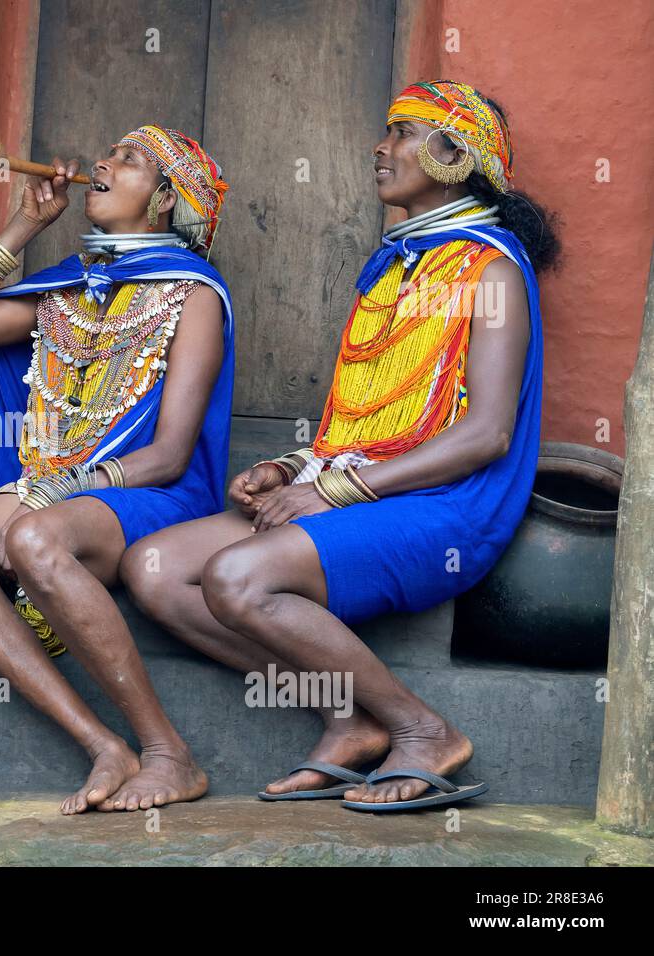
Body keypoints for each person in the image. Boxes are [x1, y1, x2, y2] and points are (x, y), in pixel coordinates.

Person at [121, 82, 560, 812]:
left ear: (456, 156)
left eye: (402, 134)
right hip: (360, 486)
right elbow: (369, 419)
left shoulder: (492, 271)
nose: (379, 148)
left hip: (446, 508)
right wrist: (293, 467)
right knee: (155, 567)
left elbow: (486, 434)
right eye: (386, 133)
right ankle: (347, 716)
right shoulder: (395, 267)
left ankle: (423, 729)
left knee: (235, 578)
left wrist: (331, 490)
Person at [0, 125, 235, 813]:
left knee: (34, 537)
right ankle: (101, 744)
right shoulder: (65, 290)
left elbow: (171, 454)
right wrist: (22, 225)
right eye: (110, 154)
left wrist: (67, 488)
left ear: (164, 200)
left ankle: (168, 752)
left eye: (129, 161)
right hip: (52, 485)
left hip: (149, 491)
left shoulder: (193, 296)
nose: (103, 163)